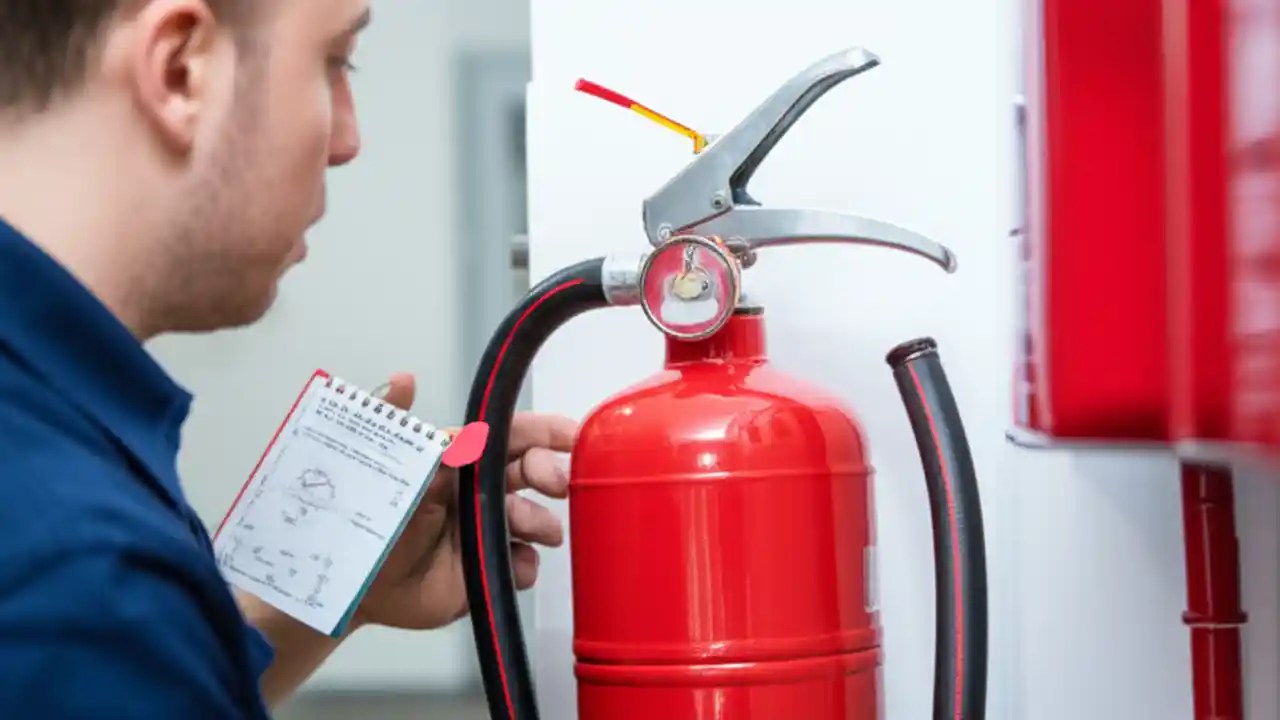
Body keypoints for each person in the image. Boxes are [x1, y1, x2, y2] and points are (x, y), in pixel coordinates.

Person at [0, 1, 572, 716]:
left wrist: (316, 598)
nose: (348, 139)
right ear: (180, 70)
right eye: (334, 61)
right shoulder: (80, 585)